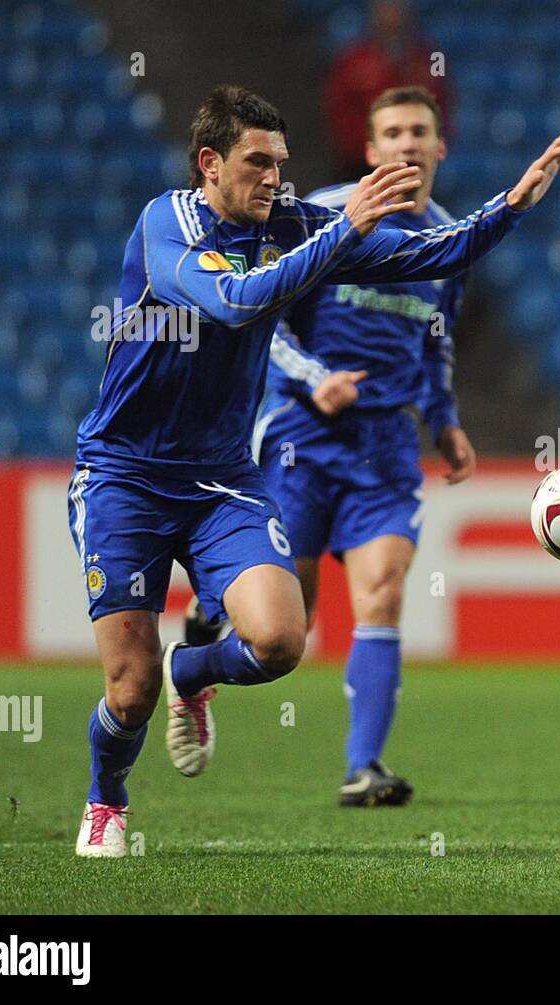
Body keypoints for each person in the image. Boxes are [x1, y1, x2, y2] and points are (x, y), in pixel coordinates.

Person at [70, 82, 560, 857]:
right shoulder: (165, 224)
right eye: (257, 162)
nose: (275, 179)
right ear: (210, 163)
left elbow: (430, 255)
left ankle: (197, 666)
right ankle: (108, 799)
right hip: (124, 476)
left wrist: (511, 204)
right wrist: (339, 233)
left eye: (281, 162)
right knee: (129, 689)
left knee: (281, 639)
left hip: (220, 480)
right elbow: (237, 301)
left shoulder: (293, 222)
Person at [187, 85, 469, 806]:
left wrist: (445, 421)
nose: (407, 144)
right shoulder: (325, 217)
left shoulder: (446, 244)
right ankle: (196, 655)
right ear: (372, 150)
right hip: (300, 440)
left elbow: (435, 343)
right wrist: (315, 380)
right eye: (393, 133)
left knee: (383, 591)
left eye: (420, 131)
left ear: (440, 147)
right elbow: (266, 316)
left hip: (385, 447)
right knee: (294, 622)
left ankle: (363, 766)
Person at [324, 0, 449, 180]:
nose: (392, 12)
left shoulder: (429, 59)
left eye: (398, 6)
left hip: (415, 162)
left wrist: (424, 141)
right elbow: (338, 110)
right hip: (361, 165)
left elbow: (442, 105)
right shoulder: (353, 59)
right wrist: (376, 145)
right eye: (387, 6)